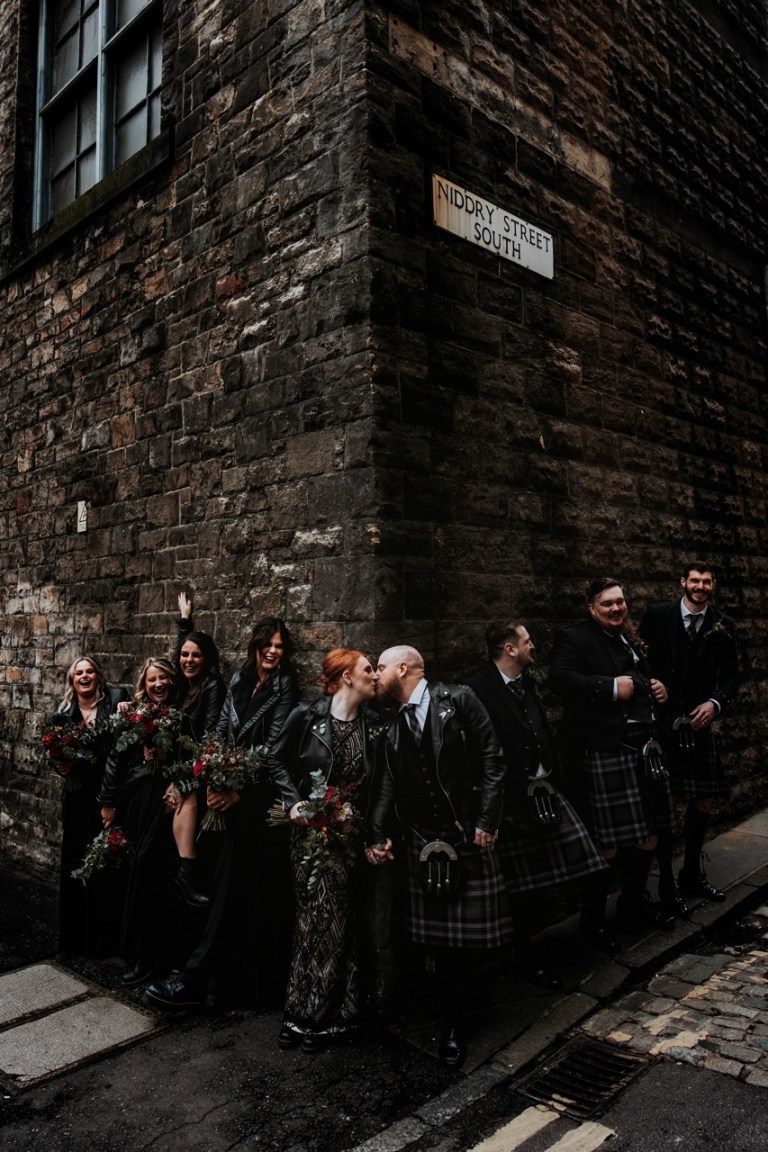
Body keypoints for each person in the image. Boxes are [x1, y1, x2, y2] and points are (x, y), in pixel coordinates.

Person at [366, 645, 512, 1070]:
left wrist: (487, 818)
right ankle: (449, 1014)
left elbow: (492, 757)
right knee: (435, 939)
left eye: (380, 667)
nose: (376, 675)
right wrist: (375, 833)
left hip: (465, 833)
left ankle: (456, 1019)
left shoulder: (459, 698)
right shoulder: (391, 720)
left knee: (461, 940)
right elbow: (386, 782)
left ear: (403, 668)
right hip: (421, 839)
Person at [144, 616, 299, 1010]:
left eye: (280, 646)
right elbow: (221, 734)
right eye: (268, 644)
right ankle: (209, 979)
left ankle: (195, 983)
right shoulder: (239, 681)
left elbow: (272, 751)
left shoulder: (285, 686)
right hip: (224, 792)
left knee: (231, 893)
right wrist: (212, 774)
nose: (273, 651)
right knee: (220, 890)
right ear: (255, 646)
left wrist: (237, 790)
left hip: (255, 800)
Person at [465, 621, 607, 988]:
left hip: (546, 792)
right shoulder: (476, 688)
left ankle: (594, 927)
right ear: (510, 649)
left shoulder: (526, 680)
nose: (534, 646)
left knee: (592, 863)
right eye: (528, 641)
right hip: (512, 801)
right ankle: (528, 960)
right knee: (523, 892)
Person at [549, 579, 675, 951]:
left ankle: (632, 906)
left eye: (620, 602)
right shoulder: (575, 638)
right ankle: (593, 921)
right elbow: (560, 679)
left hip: (646, 748)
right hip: (609, 748)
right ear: (592, 608)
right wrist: (607, 687)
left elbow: (639, 680)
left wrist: (658, 690)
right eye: (607, 604)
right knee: (608, 842)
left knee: (651, 831)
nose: (617, 609)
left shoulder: (629, 637)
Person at [271, 649, 380, 1053]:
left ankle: (322, 1016)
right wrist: (293, 801)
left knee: (337, 918)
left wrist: (369, 826)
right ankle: (302, 1013)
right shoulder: (307, 715)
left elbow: (379, 785)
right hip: (306, 834)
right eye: (368, 669)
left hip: (347, 836)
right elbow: (274, 759)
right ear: (347, 677)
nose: (375, 676)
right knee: (311, 917)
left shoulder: (374, 725)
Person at [639, 563, 741, 911]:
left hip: (699, 723)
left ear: (714, 585)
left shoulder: (723, 625)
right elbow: (639, 659)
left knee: (703, 799)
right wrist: (653, 685)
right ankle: (666, 881)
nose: (700, 586)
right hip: (664, 724)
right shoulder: (657, 615)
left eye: (707, 581)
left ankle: (691, 874)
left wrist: (715, 704)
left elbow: (731, 677)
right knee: (666, 803)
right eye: (694, 580)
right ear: (682, 582)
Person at [99, 657, 180, 986]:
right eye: (152, 680)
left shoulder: (181, 714)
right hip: (137, 800)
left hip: (165, 804)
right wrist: (107, 802)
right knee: (136, 875)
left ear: (171, 681)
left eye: (163, 678)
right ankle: (136, 952)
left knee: (154, 872)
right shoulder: (132, 714)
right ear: (143, 685)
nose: (158, 684)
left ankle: (153, 957)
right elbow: (116, 759)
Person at [49, 656, 127, 957]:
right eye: (78, 673)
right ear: (72, 681)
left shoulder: (116, 701)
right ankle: (72, 941)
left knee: (105, 866)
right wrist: (61, 767)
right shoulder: (63, 716)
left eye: (89, 671)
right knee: (75, 862)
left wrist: (126, 708)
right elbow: (56, 758)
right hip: (79, 797)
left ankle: (103, 942)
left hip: (108, 796)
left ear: (98, 676)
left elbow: (123, 742)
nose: (85, 676)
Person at [163, 592, 227, 907]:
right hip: (171, 761)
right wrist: (185, 621)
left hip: (196, 765)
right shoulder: (181, 684)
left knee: (185, 798)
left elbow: (211, 735)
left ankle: (186, 874)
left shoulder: (212, 686)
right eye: (186, 655)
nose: (189, 660)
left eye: (196, 655)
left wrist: (188, 779)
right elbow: (180, 650)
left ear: (208, 659)